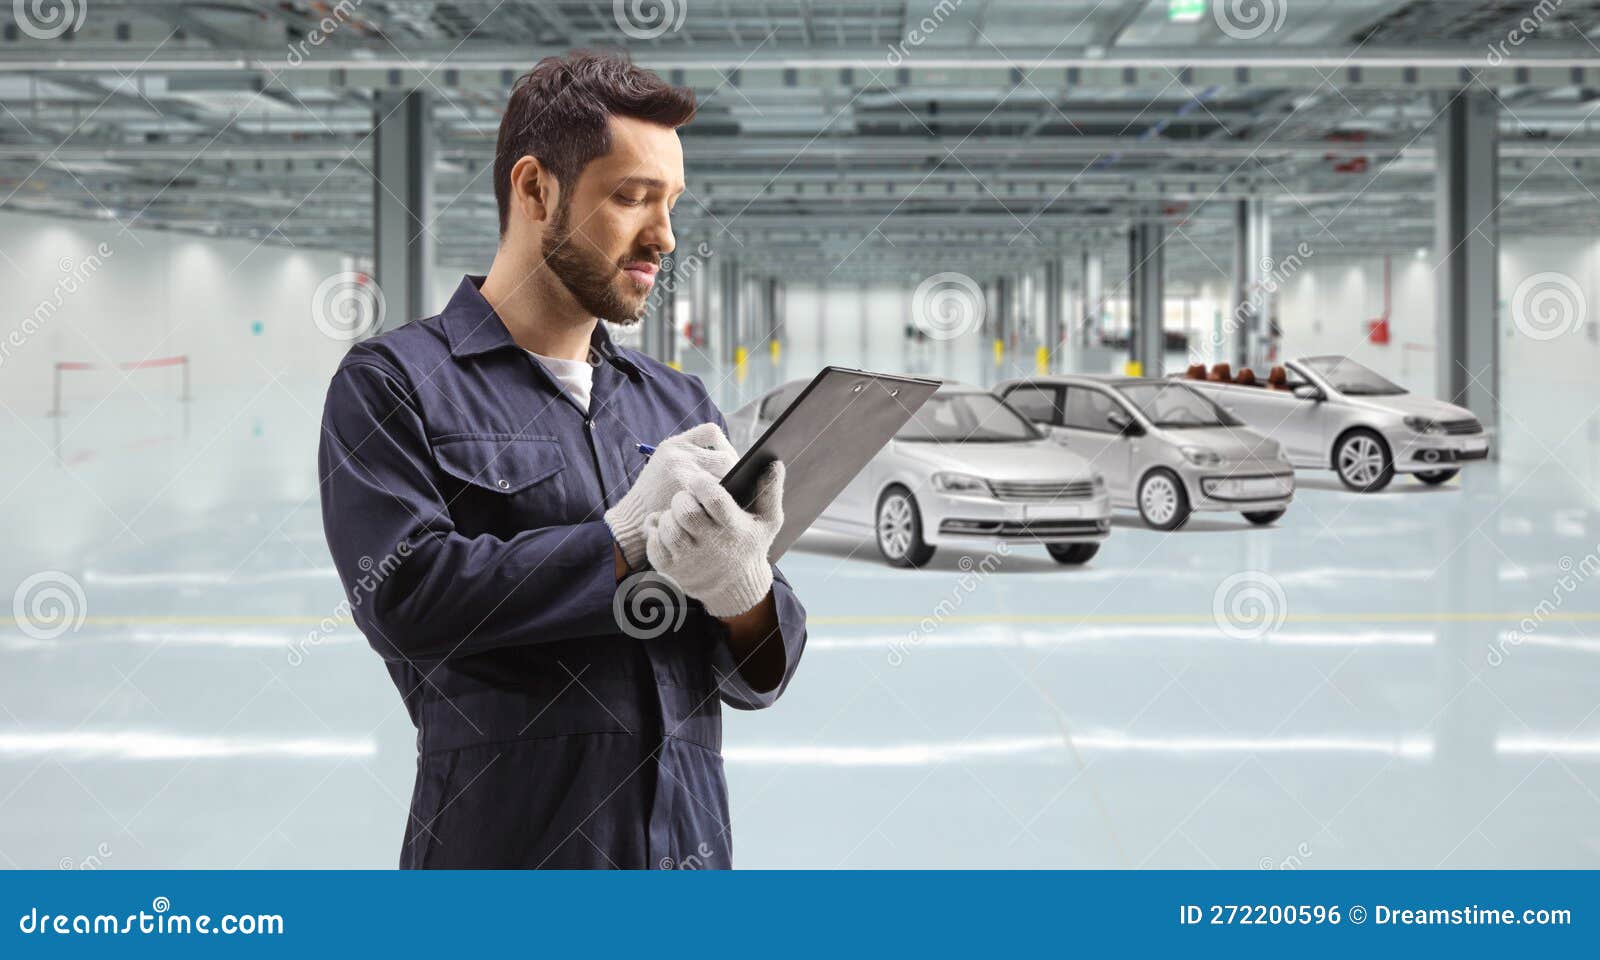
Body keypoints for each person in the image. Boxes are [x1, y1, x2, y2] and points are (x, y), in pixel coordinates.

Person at [317, 51, 807, 869]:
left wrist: (745, 592)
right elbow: (402, 596)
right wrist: (621, 538)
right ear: (536, 189)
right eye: (631, 198)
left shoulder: (677, 403)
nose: (665, 236)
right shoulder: (396, 382)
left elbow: (759, 678)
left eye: (672, 203)